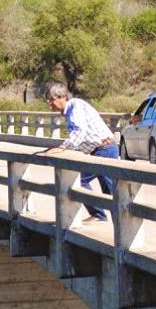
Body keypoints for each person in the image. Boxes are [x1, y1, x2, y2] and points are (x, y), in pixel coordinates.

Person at [40, 83, 118, 223]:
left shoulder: (76, 106)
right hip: (100, 150)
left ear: (63, 97)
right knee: (107, 189)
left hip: (105, 149)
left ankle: (109, 219)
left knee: (81, 181)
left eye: (51, 99)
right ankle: (104, 217)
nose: (49, 103)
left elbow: (79, 130)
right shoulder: (71, 109)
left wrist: (64, 147)